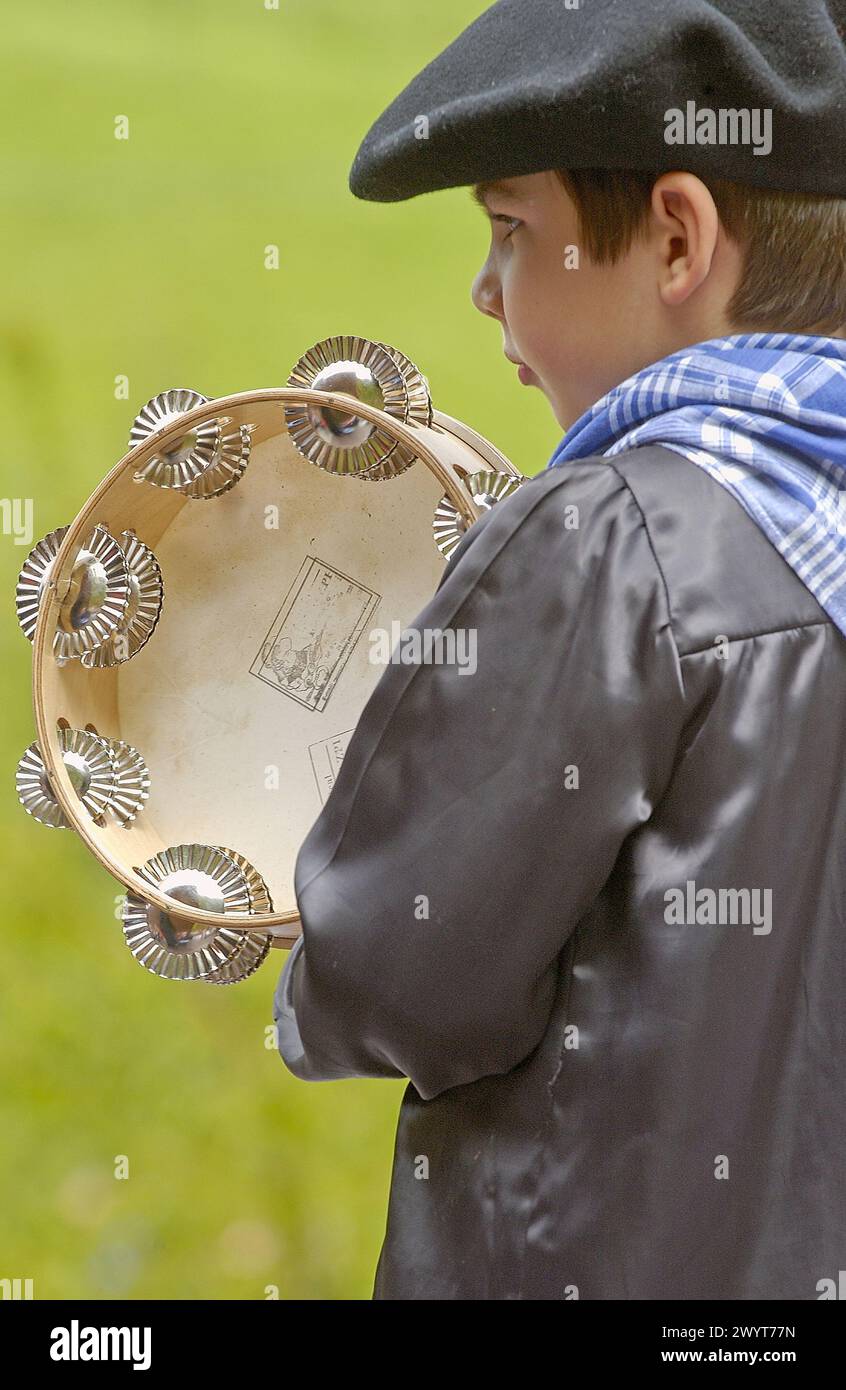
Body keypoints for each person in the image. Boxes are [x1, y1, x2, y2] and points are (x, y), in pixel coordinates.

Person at [272, 0, 846, 1298]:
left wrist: (323, 887)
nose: (483, 290)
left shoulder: (612, 539)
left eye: (509, 229)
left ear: (675, 237)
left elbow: (403, 971)